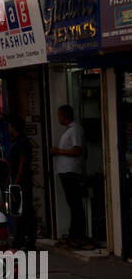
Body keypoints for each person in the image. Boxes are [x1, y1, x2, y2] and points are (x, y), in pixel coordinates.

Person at [50, 104, 88, 247]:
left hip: (71, 171)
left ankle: (78, 234)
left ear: (64, 115)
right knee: (72, 203)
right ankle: (74, 233)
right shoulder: (69, 130)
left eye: (59, 115)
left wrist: (58, 151)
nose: (58, 117)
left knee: (75, 203)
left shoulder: (76, 130)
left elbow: (77, 150)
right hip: (65, 171)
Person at [7, 115, 37, 251]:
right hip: (16, 181)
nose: (8, 129)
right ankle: (19, 239)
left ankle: (30, 241)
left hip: (22, 181)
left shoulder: (22, 141)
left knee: (26, 211)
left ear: (13, 127)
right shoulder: (15, 141)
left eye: (9, 126)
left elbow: (23, 161)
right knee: (19, 211)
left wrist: (17, 181)